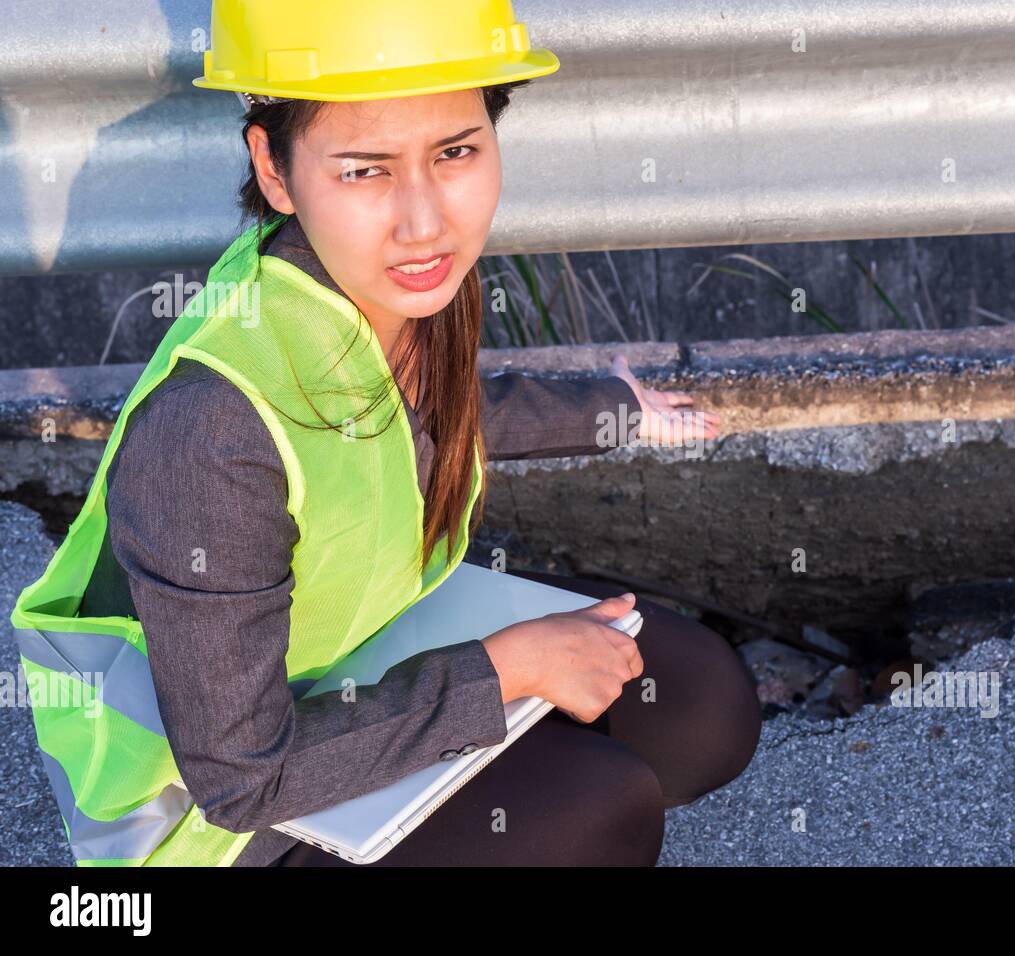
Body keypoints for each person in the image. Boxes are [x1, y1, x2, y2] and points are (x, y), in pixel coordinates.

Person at [10, 0, 760, 867]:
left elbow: (422, 415)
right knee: (596, 810)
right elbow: (242, 776)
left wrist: (612, 405)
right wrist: (508, 668)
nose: (425, 220)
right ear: (276, 167)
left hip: (352, 647)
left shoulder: (382, 287)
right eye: (365, 170)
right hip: (212, 818)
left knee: (703, 707)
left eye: (455, 152)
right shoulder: (209, 431)